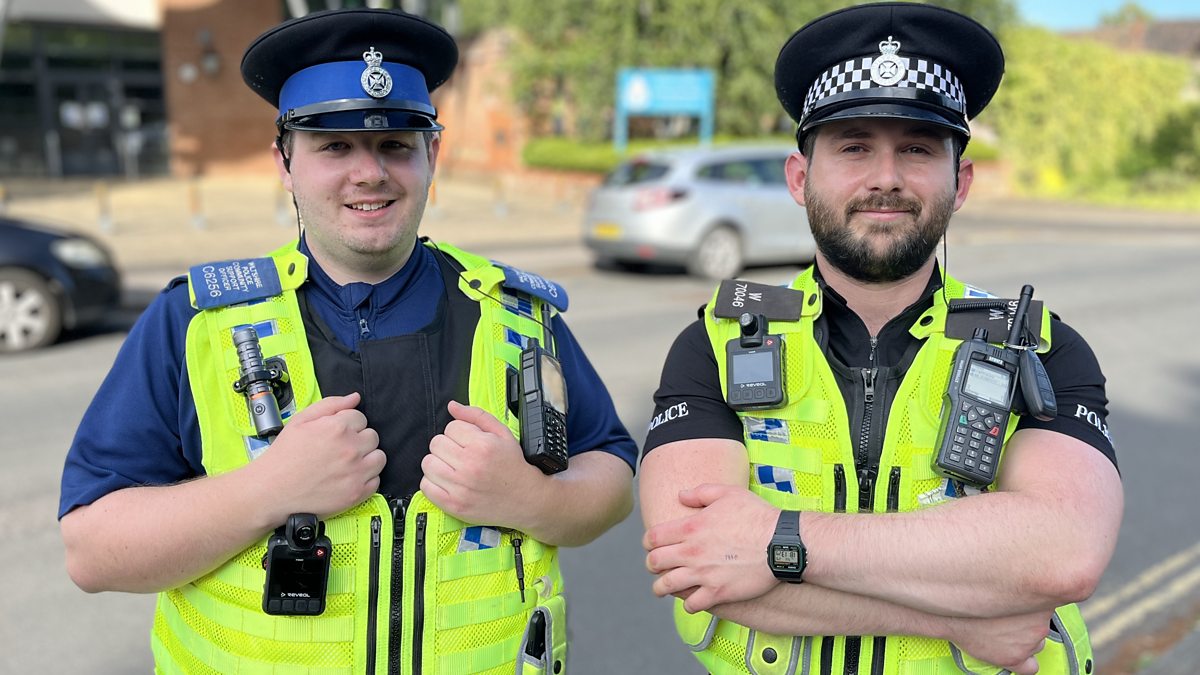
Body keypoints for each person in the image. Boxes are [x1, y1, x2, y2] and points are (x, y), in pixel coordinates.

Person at [59, 8, 636, 673]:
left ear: (432, 156)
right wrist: (264, 491)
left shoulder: (519, 317)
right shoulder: (194, 324)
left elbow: (613, 478)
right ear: (285, 161)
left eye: (395, 144)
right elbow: (92, 550)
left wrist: (537, 501)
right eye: (334, 146)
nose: (370, 173)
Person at [639, 4, 1122, 674]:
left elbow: (1062, 550)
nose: (886, 177)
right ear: (800, 178)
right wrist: (959, 612)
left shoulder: (1042, 348)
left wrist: (778, 541)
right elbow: (697, 567)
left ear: (962, 183)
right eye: (855, 145)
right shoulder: (713, 346)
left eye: (918, 148)